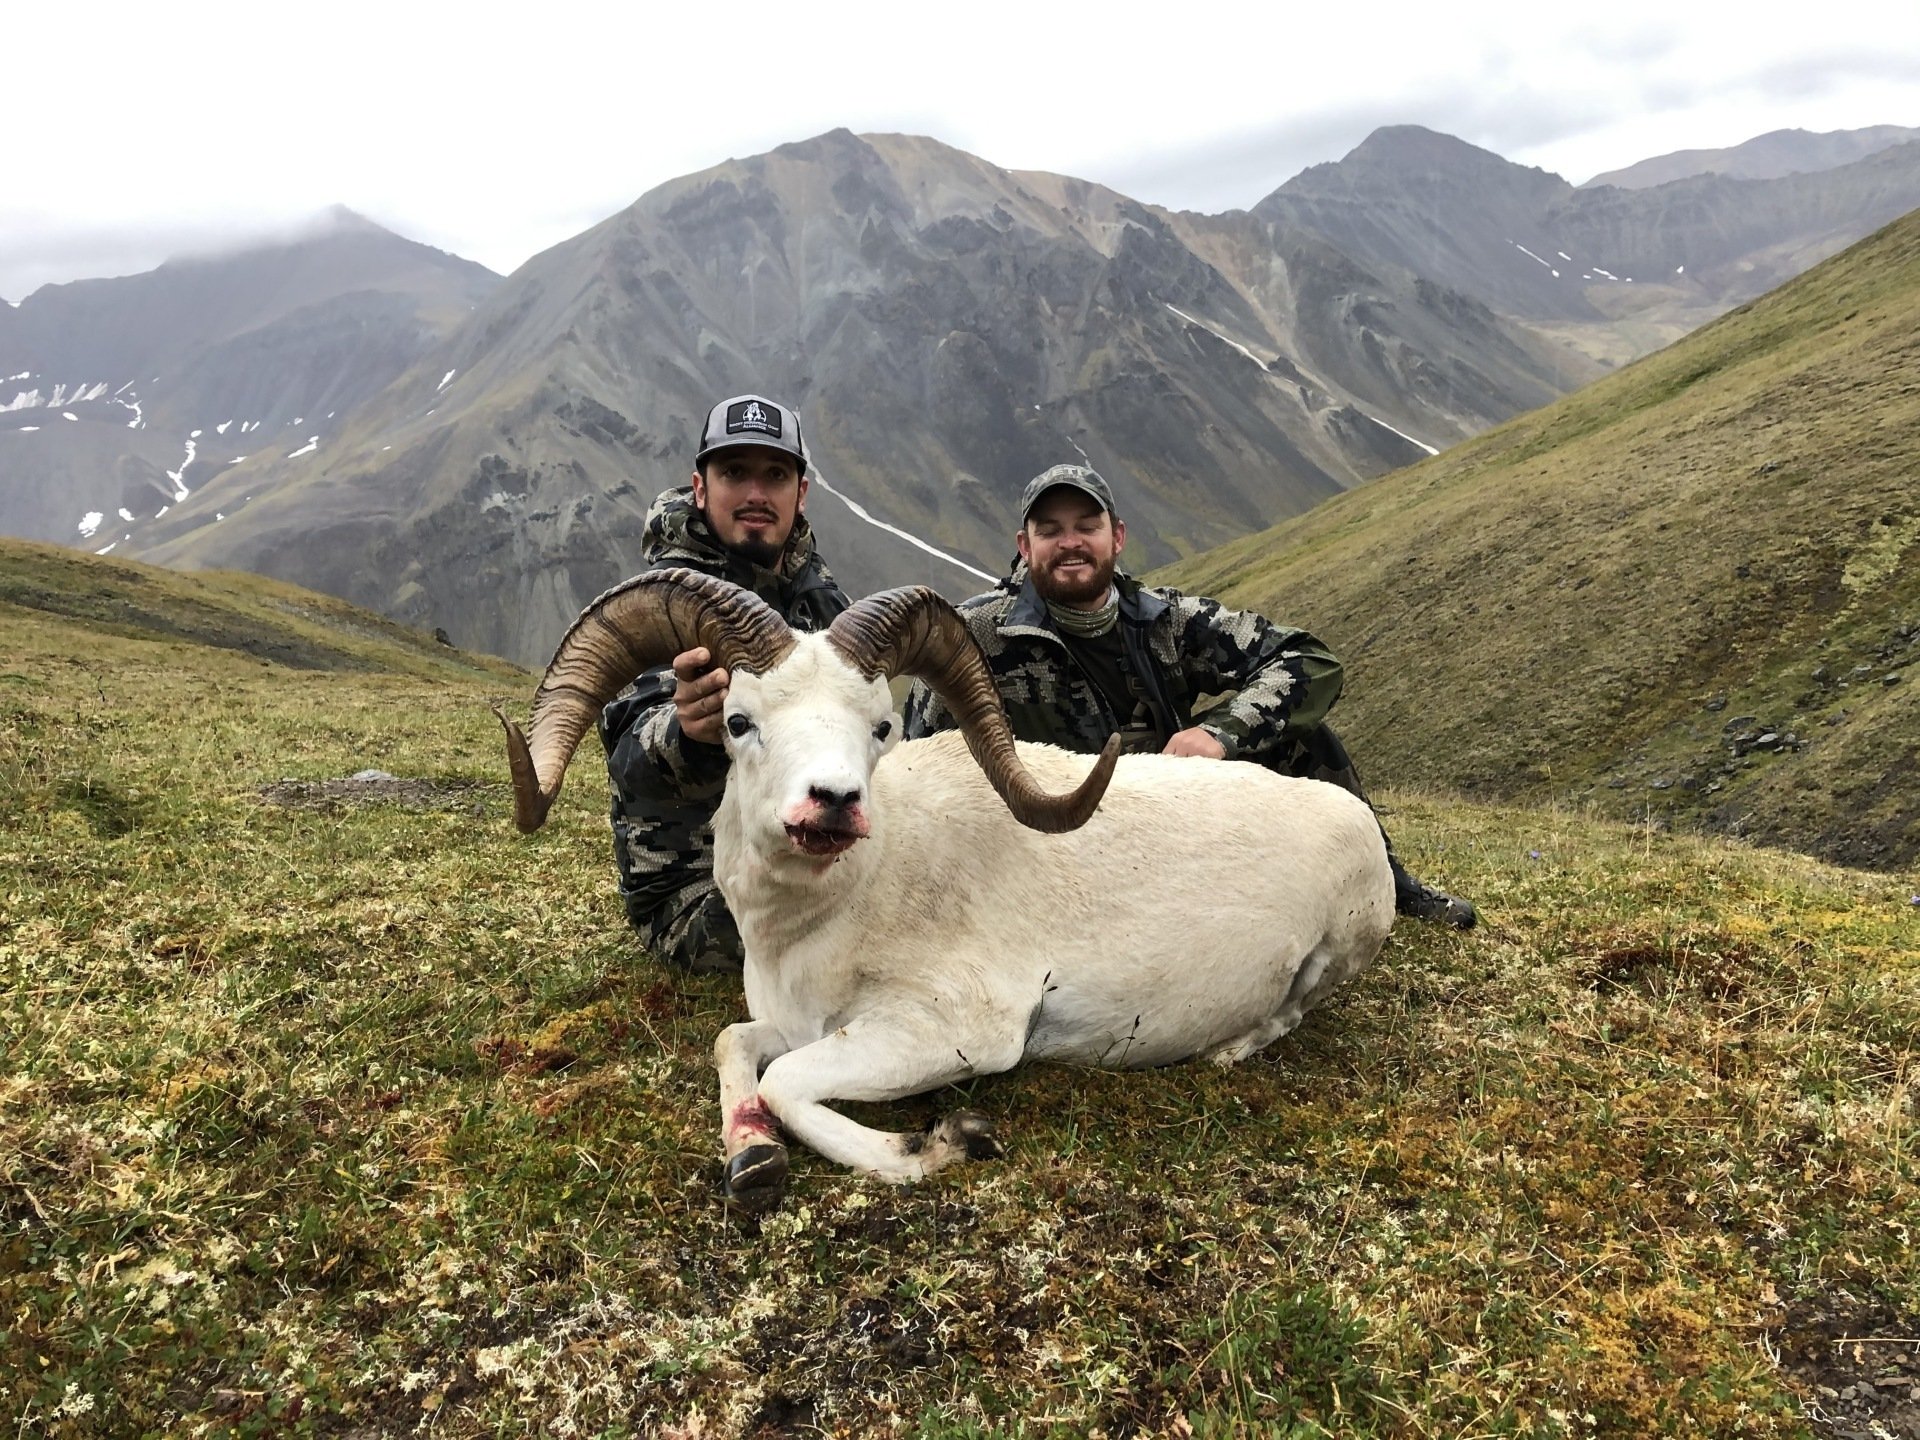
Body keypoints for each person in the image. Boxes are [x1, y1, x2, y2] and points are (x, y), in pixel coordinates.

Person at [901, 463, 1476, 927]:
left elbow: (1310, 661)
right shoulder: (973, 634)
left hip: (1161, 815)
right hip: (1042, 835)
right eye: (1049, 531)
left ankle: (1388, 882)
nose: (1069, 543)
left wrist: (1217, 736)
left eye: (1086, 526)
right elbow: (916, 761)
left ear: (1117, 537)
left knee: (1307, 739)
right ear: (1024, 547)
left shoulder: (1165, 622)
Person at [599, 394, 850, 971]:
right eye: (735, 472)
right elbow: (627, 749)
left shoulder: (822, 600)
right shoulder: (663, 602)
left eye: (776, 474)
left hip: (810, 851)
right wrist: (686, 730)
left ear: (801, 492)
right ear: (701, 486)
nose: (757, 494)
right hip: (700, 895)